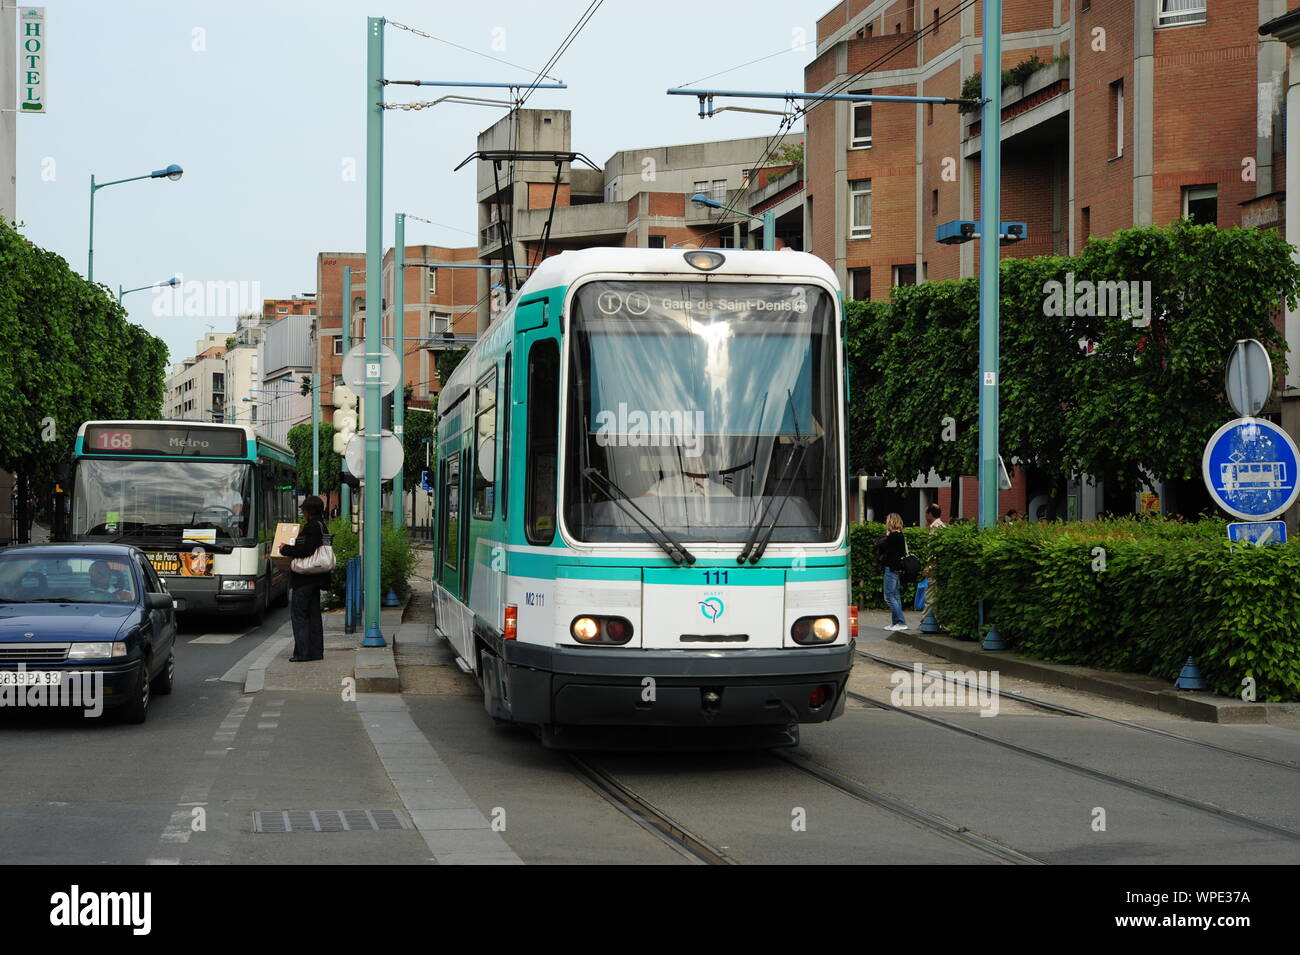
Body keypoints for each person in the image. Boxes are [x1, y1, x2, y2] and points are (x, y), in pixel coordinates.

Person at [278, 496, 331, 662]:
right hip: (316, 578)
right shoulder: (322, 526)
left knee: (299, 616)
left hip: (305, 579)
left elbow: (305, 550)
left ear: (309, 511)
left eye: (304, 510)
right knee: (314, 616)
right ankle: (315, 652)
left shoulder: (312, 526)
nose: (303, 512)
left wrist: (285, 549)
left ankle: (303, 653)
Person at [874, 512, 907, 631]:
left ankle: (901, 621)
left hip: (891, 569)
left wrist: (887, 536)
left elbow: (882, 547)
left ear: (890, 522)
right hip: (898, 568)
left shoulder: (892, 537)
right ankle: (896, 623)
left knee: (888, 596)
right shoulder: (901, 535)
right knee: (896, 596)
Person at [922, 504, 946, 622]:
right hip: (940, 566)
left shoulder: (935, 528)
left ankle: (926, 620)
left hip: (935, 566)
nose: (925, 516)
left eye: (926, 513)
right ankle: (937, 620)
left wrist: (930, 566)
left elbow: (934, 550)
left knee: (930, 595)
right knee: (937, 595)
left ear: (930, 514)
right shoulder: (942, 526)